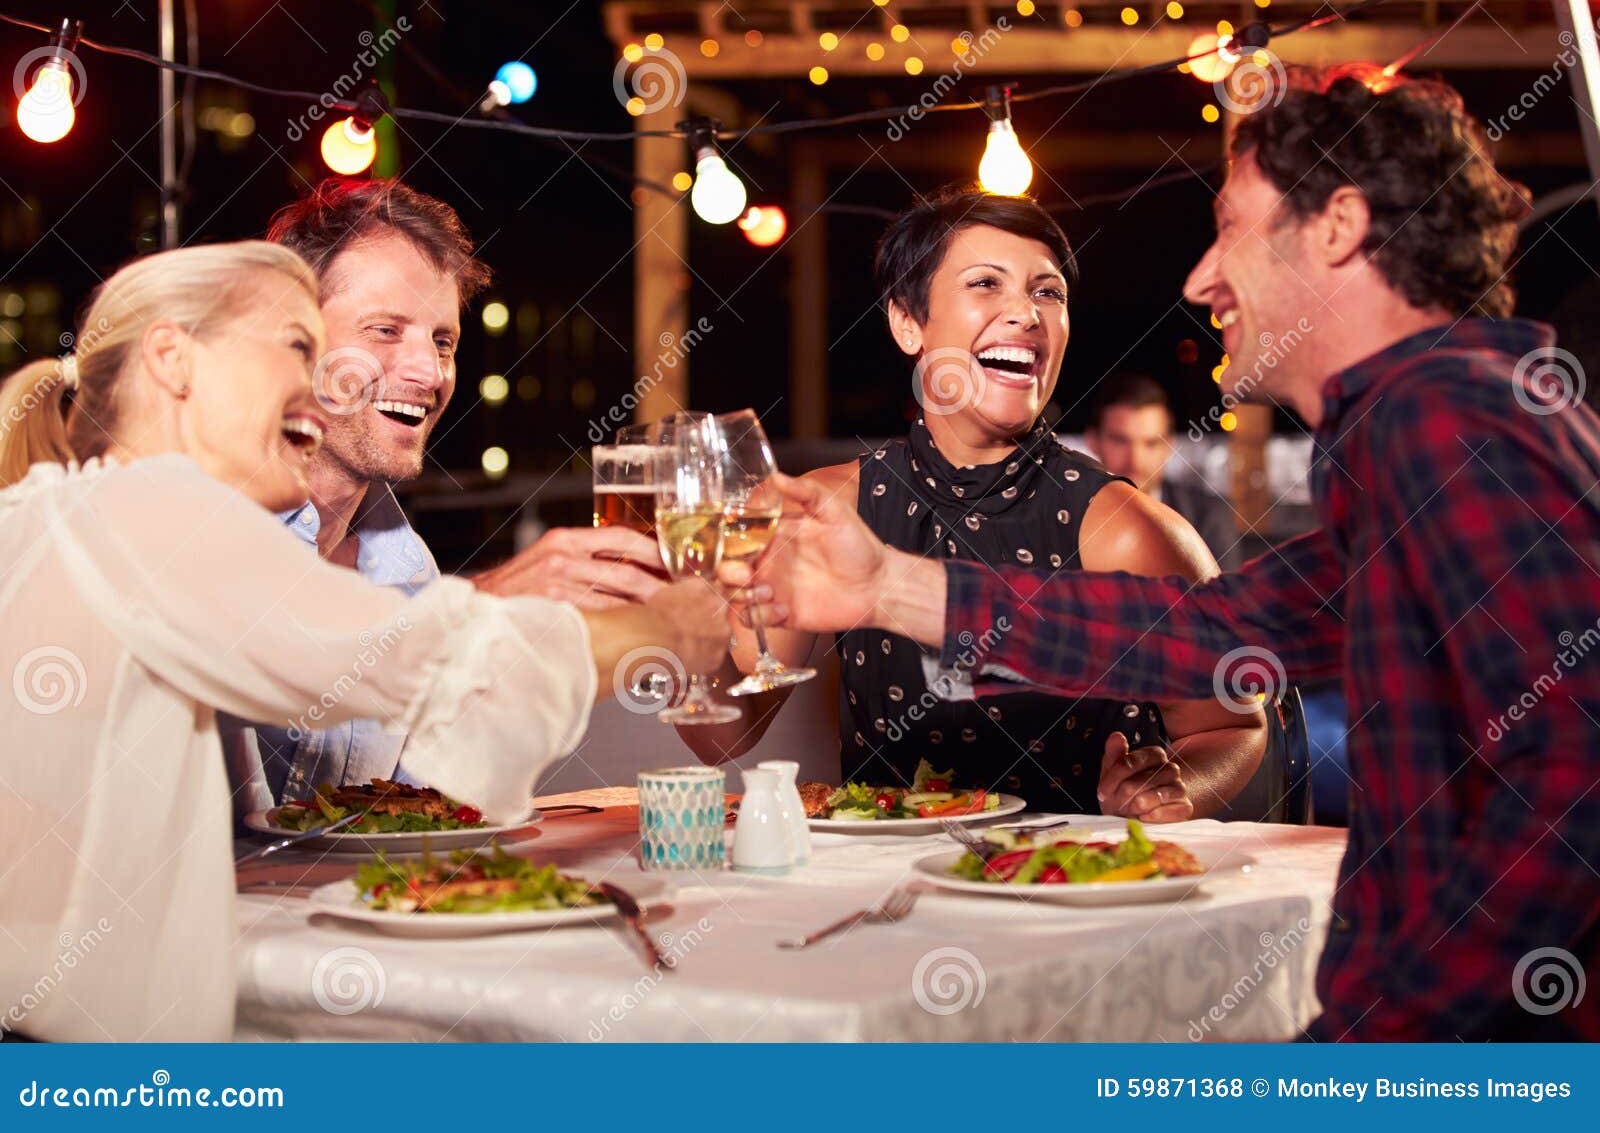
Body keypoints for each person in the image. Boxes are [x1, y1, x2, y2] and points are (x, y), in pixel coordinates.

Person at [742, 66, 1600, 1041]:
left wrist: (1396, 1035)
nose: (1200, 279)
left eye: (1229, 225)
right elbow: (1213, 631)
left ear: (1336, 226)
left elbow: (1577, 755)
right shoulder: (1426, 423)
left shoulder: (1443, 419)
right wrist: (888, 584)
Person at [0, 242, 726, 1041]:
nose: (323, 385)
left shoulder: (52, 511)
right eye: (297, 347)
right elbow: (422, 664)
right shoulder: (150, 508)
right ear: (174, 359)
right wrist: (661, 629)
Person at [681, 187, 1266, 820]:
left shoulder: (1127, 531)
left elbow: (1231, 727)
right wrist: (681, 624)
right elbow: (725, 736)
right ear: (908, 322)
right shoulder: (827, 507)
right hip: (882, 896)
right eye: (986, 284)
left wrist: (1173, 788)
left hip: (1064, 891)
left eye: (1048, 292)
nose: (1026, 313)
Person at [222, 179, 668, 808]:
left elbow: (422, 811)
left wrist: (551, 641)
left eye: (442, 340)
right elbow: (267, 653)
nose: (429, 374)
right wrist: (487, 604)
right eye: (384, 330)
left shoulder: (408, 564)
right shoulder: (198, 526)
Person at [1084, 373, 1240, 570]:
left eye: (1151, 443)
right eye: (1120, 440)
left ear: (1169, 445)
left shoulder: (1209, 517)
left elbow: (1224, 598)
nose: (1135, 460)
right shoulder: (1067, 517)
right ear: (1093, 442)